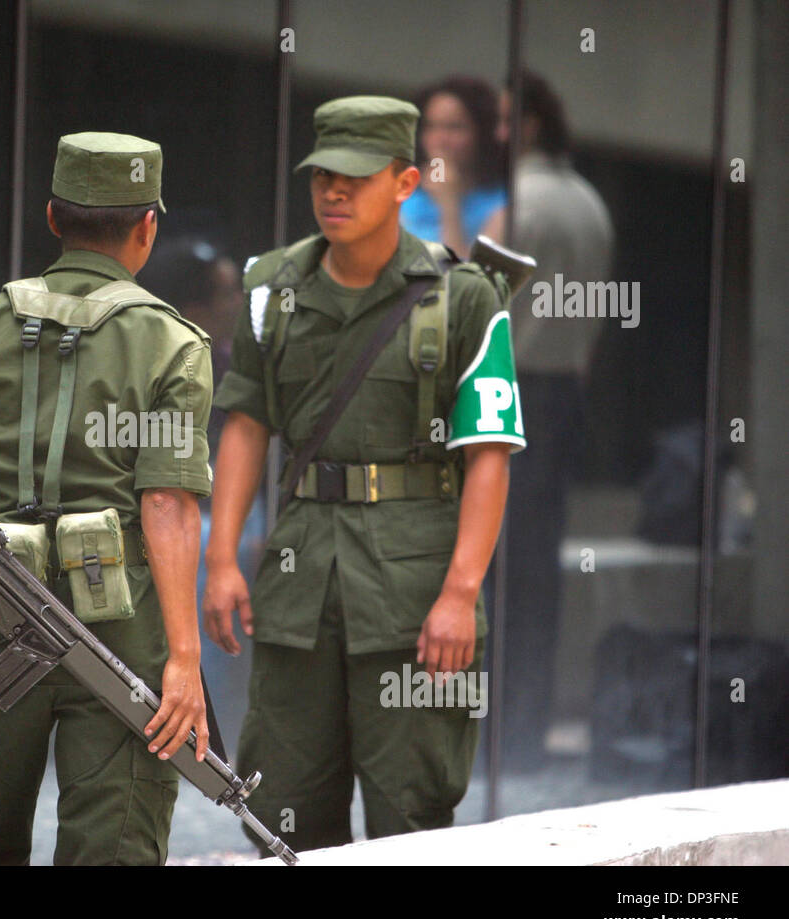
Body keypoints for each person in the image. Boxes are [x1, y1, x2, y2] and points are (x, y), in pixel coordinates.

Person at [204, 96, 525, 853]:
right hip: (301, 572)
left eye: (354, 177)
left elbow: (489, 454)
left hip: (414, 593)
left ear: (407, 181)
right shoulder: (269, 287)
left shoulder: (465, 296)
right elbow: (245, 424)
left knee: (408, 811)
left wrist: (459, 593)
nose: (333, 192)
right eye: (321, 177)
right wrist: (221, 558)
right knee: (280, 802)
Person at [0, 132, 213, 865]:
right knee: (112, 844)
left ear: (51, 218)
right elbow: (168, 504)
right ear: (148, 226)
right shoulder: (171, 343)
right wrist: (183, 658)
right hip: (123, 624)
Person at [497, 71, 614, 768]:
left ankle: (495, 739)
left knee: (496, 570)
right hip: (564, 395)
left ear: (532, 123)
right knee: (537, 571)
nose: (498, 136)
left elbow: (472, 312)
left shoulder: (523, 203)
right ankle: (525, 732)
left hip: (512, 394)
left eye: (507, 121)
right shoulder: (591, 204)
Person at [401, 76, 507, 254]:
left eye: (454, 128)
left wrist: (449, 206)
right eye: (430, 126)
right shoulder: (404, 197)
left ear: (481, 134)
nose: (440, 140)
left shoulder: (499, 206)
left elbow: (464, 279)